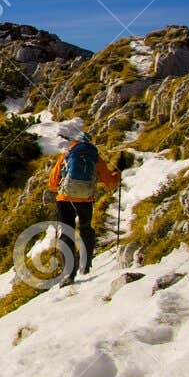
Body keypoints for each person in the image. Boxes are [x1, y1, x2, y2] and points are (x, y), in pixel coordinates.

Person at [47, 122, 120, 285]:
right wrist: (116, 175)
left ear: (75, 143)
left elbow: (52, 184)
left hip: (65, 199)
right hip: (86, 199)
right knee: (86, 228)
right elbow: (110, 182)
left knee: (67, 233)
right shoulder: (96, 159)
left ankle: (69, 274)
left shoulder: (66, 156)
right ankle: (86, 265)